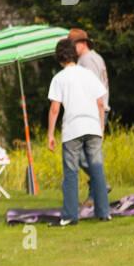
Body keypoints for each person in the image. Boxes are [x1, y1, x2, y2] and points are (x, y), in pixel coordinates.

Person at [47, 36, 110, 225]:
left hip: (73, 129)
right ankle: (104, 213)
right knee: (97, 170)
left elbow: (55, 109)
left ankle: (69, 216)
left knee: (71, 173)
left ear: (59, 57)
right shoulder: (88, 74)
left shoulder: (59, 78)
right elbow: (100, 102)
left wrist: (50, 134)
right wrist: (101, 127)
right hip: (92, 127)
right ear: (75, 54)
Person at [69, 26, 112, 197]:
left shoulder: (87, 61)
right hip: (95, 112)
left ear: (82, 44)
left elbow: (96, 91)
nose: (71, 49)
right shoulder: (93, 58)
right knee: (89, 155)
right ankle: (95, 196)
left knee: (82, 156)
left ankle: (101, 184)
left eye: (73, 45)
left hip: (94, 113)